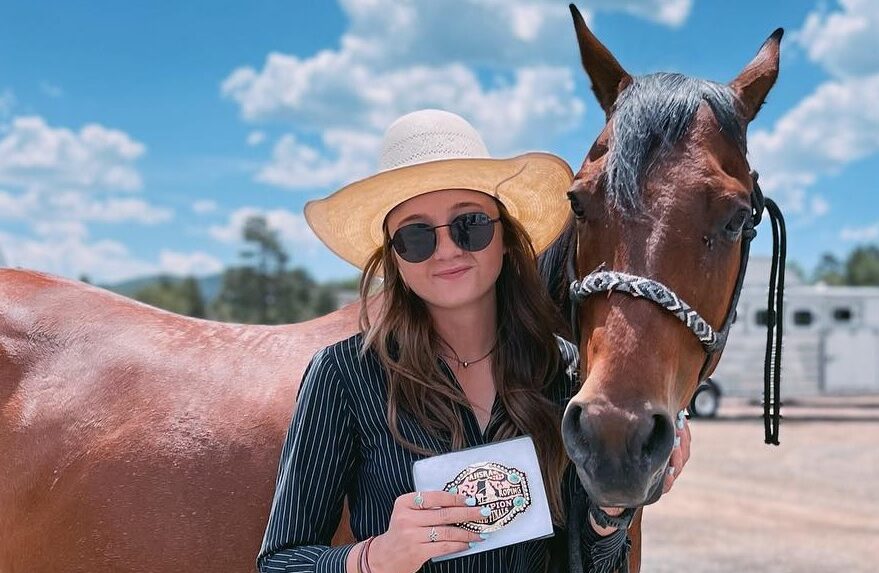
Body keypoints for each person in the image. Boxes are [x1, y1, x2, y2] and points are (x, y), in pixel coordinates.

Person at [256, 109, 692, 573]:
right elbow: (281, 562)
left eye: (470, 225)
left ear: (504, 235)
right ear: (394, 258)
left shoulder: (561, 372)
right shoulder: (342, 375)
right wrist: (375, 558)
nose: (446, 249)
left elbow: (588, 565)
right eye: (416, 236)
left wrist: (611, 509)